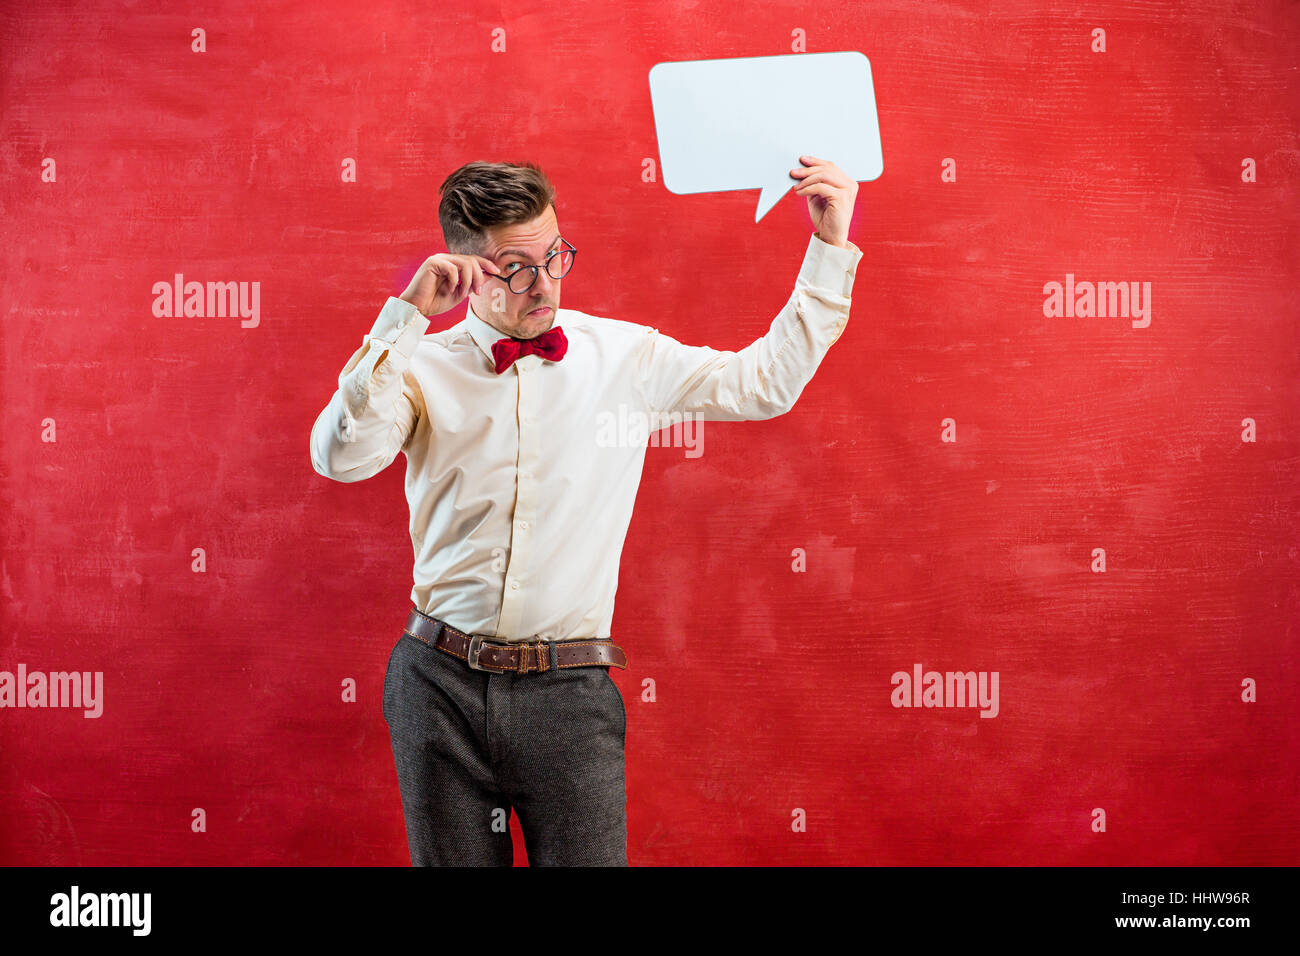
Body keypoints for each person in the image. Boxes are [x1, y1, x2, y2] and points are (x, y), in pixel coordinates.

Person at [308, 156, 862, 866]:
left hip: (569, 695)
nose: (545, 285)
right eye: (516, 267)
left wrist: (829, 247)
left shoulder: (622, 356)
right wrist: (404, 317)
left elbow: (764, 385)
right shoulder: (417, 367)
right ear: (466, 269)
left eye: (555, 256)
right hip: (435, 686)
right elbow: (340, 456)